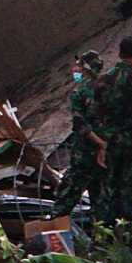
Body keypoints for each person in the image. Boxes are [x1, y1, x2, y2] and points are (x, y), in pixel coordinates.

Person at [92, 36, 132, 238]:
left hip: (110, 140)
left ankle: (106, 234)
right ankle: (128, 235)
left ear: (119, 53)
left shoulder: (103, 80)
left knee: (110, 184)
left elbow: (95, 110)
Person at [51, 51, 105, 219]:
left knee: (68, 194)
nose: (74, 70)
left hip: (85, 153)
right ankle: (104, 238)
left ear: (85, 69)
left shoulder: (80, 93)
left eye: (78, 66)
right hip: (107, 154)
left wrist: (100, 144)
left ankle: (53, 228)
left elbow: (81, 125)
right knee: (101, 198)